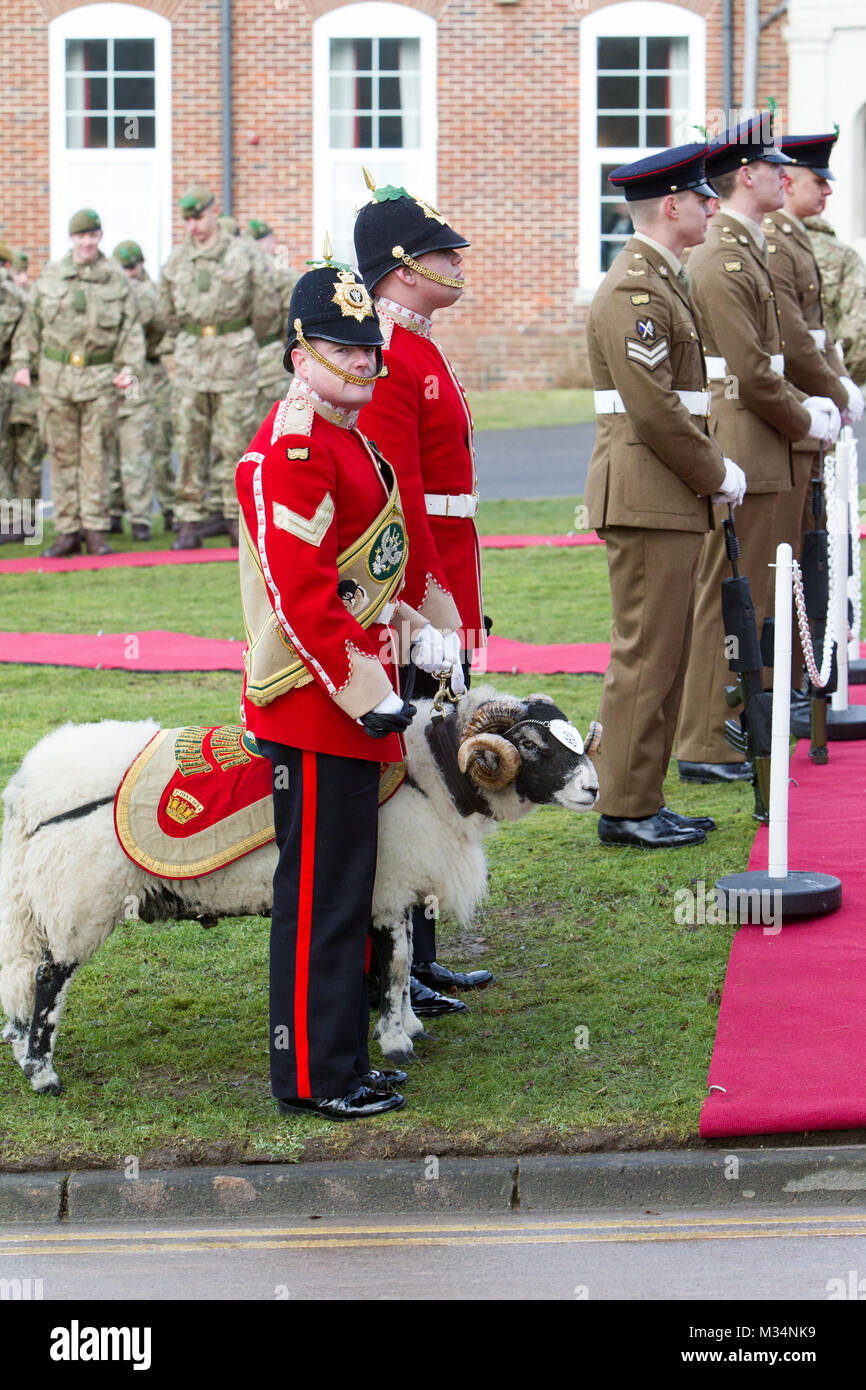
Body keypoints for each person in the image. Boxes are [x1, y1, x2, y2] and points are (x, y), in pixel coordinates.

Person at [235, 255, 461, 1120]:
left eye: (368, 346)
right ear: (301, 354)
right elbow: (305, 603)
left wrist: (423, 631)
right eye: (342, 347)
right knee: (321, 900)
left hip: (357, 697)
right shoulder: (293, 449)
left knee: (349, 889)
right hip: (315, 701)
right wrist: (370, 692)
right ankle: (313, 1074)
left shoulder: (347, 436)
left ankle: (343, 1059)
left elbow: (377, 568)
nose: (364, 361)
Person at [353, 173, 492, 1001]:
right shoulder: (391, 355)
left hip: (449, 580)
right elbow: (398, 504)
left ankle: (422, 952)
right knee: (412, 776)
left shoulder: (419, 345)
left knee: (437, 770)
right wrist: (430, 609)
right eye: (441, 254)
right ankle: (398, 959)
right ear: (402, 268)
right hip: (418, 598)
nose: (454, 264)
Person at [675, 115, 841, 783]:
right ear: (748, 175)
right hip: (748, 433)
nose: (789, 175)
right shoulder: (724, 254)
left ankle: (740, 722)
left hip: (766, 437)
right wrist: (806, 419)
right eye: (777, 167)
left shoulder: (746, 247)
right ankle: (706, 741)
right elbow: (750, 367)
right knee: (732, 596)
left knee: (764, 597)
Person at [584, 143, 739, 849]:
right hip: (649, 490)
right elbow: (652, 408)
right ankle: (624, 804)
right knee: (646, 653)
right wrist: (715, 470)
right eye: (702, 197)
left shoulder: (662, 280)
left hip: (665, 491)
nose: (714, 205)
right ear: (670, 205)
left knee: (667, 652)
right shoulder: (634, 290)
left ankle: (643, 796)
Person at [761, 132, 864, 687]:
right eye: (813, 179)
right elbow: (792, 343)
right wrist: (841, 392)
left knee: (810, 551)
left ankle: (803, 679)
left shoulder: (793, 239)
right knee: (785, 562)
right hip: (792, 413)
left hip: (808, 411)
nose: (825, 190)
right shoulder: (772, 242)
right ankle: (787, 686)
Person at [9, 208, 145, 557]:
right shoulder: (51, 277)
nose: (86, 242)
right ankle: (67, 530)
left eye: (92, 235)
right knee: (62, 456)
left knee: (96, 457)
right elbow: (30, 326)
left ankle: (95, 530)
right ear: (72, 238)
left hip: (99, 380)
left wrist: (129, 367)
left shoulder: (116, 279)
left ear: (99, 237)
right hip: (57, 380)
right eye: (80, 236)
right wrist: (22, 363)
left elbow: (131, 330)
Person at [158, 185, 279, 549]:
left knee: (236, 441)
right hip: (192, 357)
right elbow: (168, 312)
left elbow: (266, 308)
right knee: (190, 440)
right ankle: (190, 520)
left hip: (235, 356)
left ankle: (234, 517)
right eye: (188, 220)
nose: (194, 226)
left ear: (214, 212)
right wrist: (191, 339)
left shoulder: (244, 255)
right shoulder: (177, 261)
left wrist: (238, 336)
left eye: (198, 217)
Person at [108, 240, 170, 542]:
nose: (130, 273)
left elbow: (160, 326)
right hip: (111, 372)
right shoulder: (111, 291)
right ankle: (112, 511)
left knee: (140, 447)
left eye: (133, 266)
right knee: (109, 446)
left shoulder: (148, 293)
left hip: (142, 373)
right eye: (124, 268)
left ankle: (142, 517)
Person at [244, 218, 299, 424]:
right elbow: (291, 324)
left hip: (236, 365)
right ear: (270, 242)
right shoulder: (283, 276)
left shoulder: (234, 275)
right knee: (271, 432)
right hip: (271, 362)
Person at [805, 216, 866, 387]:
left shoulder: (754, 244)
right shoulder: (843, 256)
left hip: (757, 387)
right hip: (820, 383)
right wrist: (846, 388)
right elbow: (860, 331)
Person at [0, 243, 31, 543]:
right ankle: (18, 523)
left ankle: (16, 522)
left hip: (15, 385)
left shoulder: (18, 300)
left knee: (24, 457)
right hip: (15, 385)